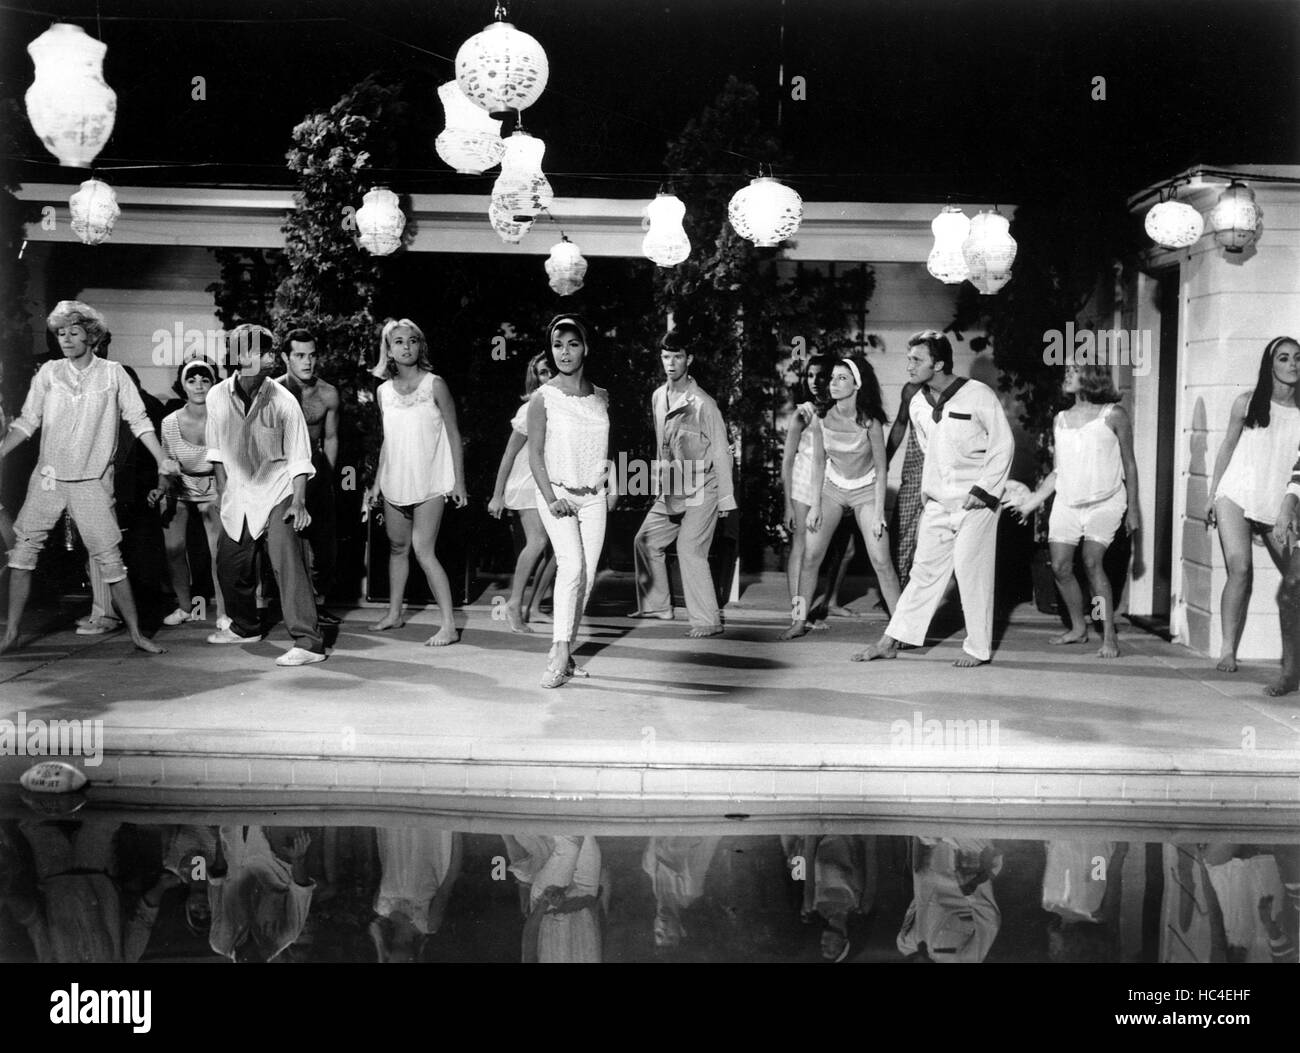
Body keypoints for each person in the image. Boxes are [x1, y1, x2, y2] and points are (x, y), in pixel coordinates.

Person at [0, 300, 176, 655]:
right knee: (22, 554)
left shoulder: (113, 374)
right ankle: (12, 633)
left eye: (73, 333)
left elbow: (139, 421)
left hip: (91, 481)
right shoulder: (49, 372)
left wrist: (162, 459)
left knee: (110, 560)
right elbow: (27, 421)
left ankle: (138, 635)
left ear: (91, 336)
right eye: (60, 333)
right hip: (48, 477)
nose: (65, 339)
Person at [855, 331, 1013, 666]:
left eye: (916, 360)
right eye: (909, 358)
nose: (908, 365)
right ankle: (890, 640)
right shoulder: (916, 404)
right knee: (922, 572)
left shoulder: (978, 395)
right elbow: (932, 451)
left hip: (978, 501)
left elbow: (1003, 444)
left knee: (972, 571)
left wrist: (983, 489)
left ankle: (977, 648)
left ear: (938, 364)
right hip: (939, 503)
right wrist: (935, 493)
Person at [204, 323, 325, 666]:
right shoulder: (216, 396)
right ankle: (245, 627)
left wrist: (299, 502)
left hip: (280, 490)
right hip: (239, 494)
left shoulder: (284, 400)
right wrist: (222, 491)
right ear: (243, 357)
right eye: (265, 351)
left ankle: (309, 642)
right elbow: (215, 452)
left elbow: (301, 457)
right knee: (229, 562)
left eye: (272, 351)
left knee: (286, 555)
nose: (273, 357)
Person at [1009, 364, 1140, 658]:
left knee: (1092, 562)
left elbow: (1130, 464)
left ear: (1092, 376)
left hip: (1105, 500)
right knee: (1060, 567)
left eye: (1074, 370)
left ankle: (1108, 635)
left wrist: (1134, 509)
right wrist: (1032, 502)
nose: (1067, 374)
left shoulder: (1114, 415)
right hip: (1068, 500)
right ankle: (1079, 629)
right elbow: (1059, 471)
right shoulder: (1061, 419)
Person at [528, 314, 618, 688]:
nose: (565, 352)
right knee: (572, 567)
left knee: (588, 577)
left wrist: (613, 484)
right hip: (558, 494)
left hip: (594, 496)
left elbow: (607, 448)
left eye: (573, 343)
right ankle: (560, 652)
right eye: (558, 345)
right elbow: (534, 455)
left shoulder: (601, 397)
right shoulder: (543, 397)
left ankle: (566, 652)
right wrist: (551, 499)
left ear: (586, 347)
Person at [784, 354, 900, 639]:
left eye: (842, 378)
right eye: (832, 378)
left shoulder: (870, 422)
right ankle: (798, 621)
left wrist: (877, 514)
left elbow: (882, 470)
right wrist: (814, 506)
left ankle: (901, 629)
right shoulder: (821, 418)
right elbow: (819, 464)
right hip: (832, 489)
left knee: (881, 561)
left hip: (865, 490)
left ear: (857, 385)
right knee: (810, 556)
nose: (833, 383)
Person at [366, 318, 467, 646]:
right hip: (395, 480)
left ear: (420, 345)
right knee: (398, 548)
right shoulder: (382, 392)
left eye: (412, 340)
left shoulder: (434, 384)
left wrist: (458, 482)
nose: (406, 346)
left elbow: (453, 433)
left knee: (424, 550)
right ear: (388, 350)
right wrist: (377, 482)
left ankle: (449, 625)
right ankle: (395, 614)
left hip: (430, 481)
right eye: (398, 342)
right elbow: (388, 441)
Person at [631, 331, 737, 638]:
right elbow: (661, 443)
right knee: (646, 540)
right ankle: (658, 605)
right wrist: (656, 482)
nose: (671, 363)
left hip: (706, 484)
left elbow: (720, 451)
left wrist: (726, 501)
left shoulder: (704, 403)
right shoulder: (657, 396)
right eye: (666, 356)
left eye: (677, 356)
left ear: (689, 360)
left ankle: (708, 620)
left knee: (690, 548)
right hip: (675, 484)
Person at [1206, 337, 1300, 672]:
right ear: (1270, 364)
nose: (1291, 364)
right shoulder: (1247, 402)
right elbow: (1227, 447)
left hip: (1278, 502)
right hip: (1236, 494)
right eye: (1284, 358)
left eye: (1297, 358)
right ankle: (1228, 649)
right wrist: (1212, 493)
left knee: (1295, 576)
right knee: (1241, 569)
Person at [148, 358, 227, 629]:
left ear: (214, 383)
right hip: (178, 489)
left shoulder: (223, 418)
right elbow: (167, 464)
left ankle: (224, 614)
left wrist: (222, 495)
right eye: (192, 380)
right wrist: (160, 488)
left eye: (205, 380)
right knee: (174, 550)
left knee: (219, 553)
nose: (199, 386)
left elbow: (227, 465)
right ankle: (184, 608)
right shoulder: (169, 422)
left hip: (215, 487)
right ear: (183, 385)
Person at [781, 354, 857, 628]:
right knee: (801, 549)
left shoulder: (839, 410)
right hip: (804, 486)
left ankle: (830, 602)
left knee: (846, 549)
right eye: (809, 376)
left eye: (820, 376)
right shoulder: (803, 412)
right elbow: (787, 461)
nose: (814, 382)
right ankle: (797, 613)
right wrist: (788, 504)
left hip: (833, 485)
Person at [487, 352, 556, 634]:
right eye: (541, 372)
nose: (547, 377)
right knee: (538, 541)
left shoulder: (565, 405)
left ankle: (535, 607)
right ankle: (514, 605)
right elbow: (509, 453)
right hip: (526, 482)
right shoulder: (529, 409)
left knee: (559, 550)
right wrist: (496, 494)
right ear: (535, 377)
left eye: (550, 371)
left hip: (552, 483)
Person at [276, 328, 341, 623]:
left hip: (316, 476)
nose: (308, 362)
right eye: (300, 355)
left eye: (312, 355)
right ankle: (289, 608)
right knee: (286, 544)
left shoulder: (327, 394)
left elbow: (331, 437)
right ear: (285, 358)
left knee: (324, 549)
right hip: (280, 478)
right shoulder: (273, 393)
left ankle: (317, 604)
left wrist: (327, 475)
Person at [208, 825, 314, 963]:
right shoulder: (286, 935)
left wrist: (220, 842)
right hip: (275, 858)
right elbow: (301, 889)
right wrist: (298, 858)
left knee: (229, 818)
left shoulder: (219, 942)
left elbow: (217, 881)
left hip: (234, 858)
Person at [368, 826, 463, 963]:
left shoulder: (380, 907)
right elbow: (450, 876)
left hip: (397, 828)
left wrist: (380, 945)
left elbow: (384, 851)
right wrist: (456, 829)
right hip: (432, 833)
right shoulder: (428, 923)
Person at [886, 378, 934, 589]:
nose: (911, 366)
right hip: (916, 467)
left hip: (943, 468)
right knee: (903, 526)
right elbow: (900, 422)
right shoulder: (911, 390)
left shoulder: (954, 391)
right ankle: (897, 589)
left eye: (917, 360)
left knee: (936, 533)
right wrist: (885, 459)